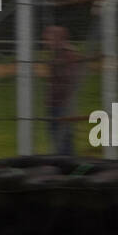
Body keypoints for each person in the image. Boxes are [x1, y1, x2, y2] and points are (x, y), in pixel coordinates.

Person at [43, 24, 79, 156]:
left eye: (49, 39)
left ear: (58, 38)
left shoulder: (68, 54)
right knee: (57, 139)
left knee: (64, 139)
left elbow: (70, 80)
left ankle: (67, 165)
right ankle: (62, 163)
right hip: (55, 103)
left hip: (63, 104)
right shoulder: (57, 55)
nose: (47, 42)